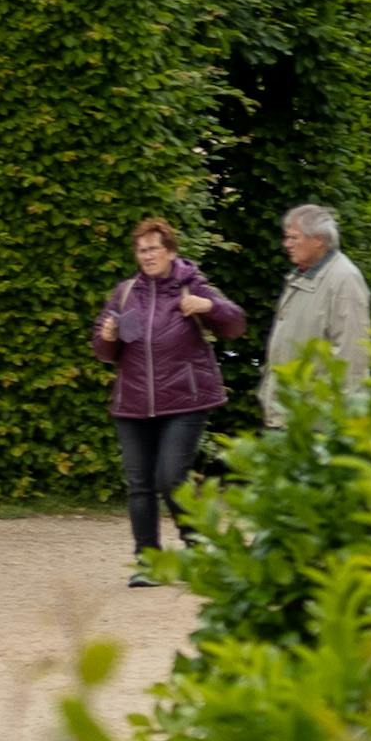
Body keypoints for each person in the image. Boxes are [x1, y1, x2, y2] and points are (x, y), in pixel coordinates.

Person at [90, 214, 247, 584]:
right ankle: (148, 563)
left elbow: (236, 324)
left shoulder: (192, 286)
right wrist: (108, 334)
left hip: (185, 401)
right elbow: (104, 351)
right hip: (132, 403)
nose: (147, 256)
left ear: (171, 250)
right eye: (141, 250)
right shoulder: (125, 293)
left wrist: (210, 308)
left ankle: (198, 547)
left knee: (171, 478)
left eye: (154, 249)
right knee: (139, 484)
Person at [266, 202, 371, 405]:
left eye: (293, 238)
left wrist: (339, 413)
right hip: (294, 409)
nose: (286, 244)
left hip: (318, 415)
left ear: (318, 240)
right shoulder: (301, 277)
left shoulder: (344, 279)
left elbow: (352, 353)